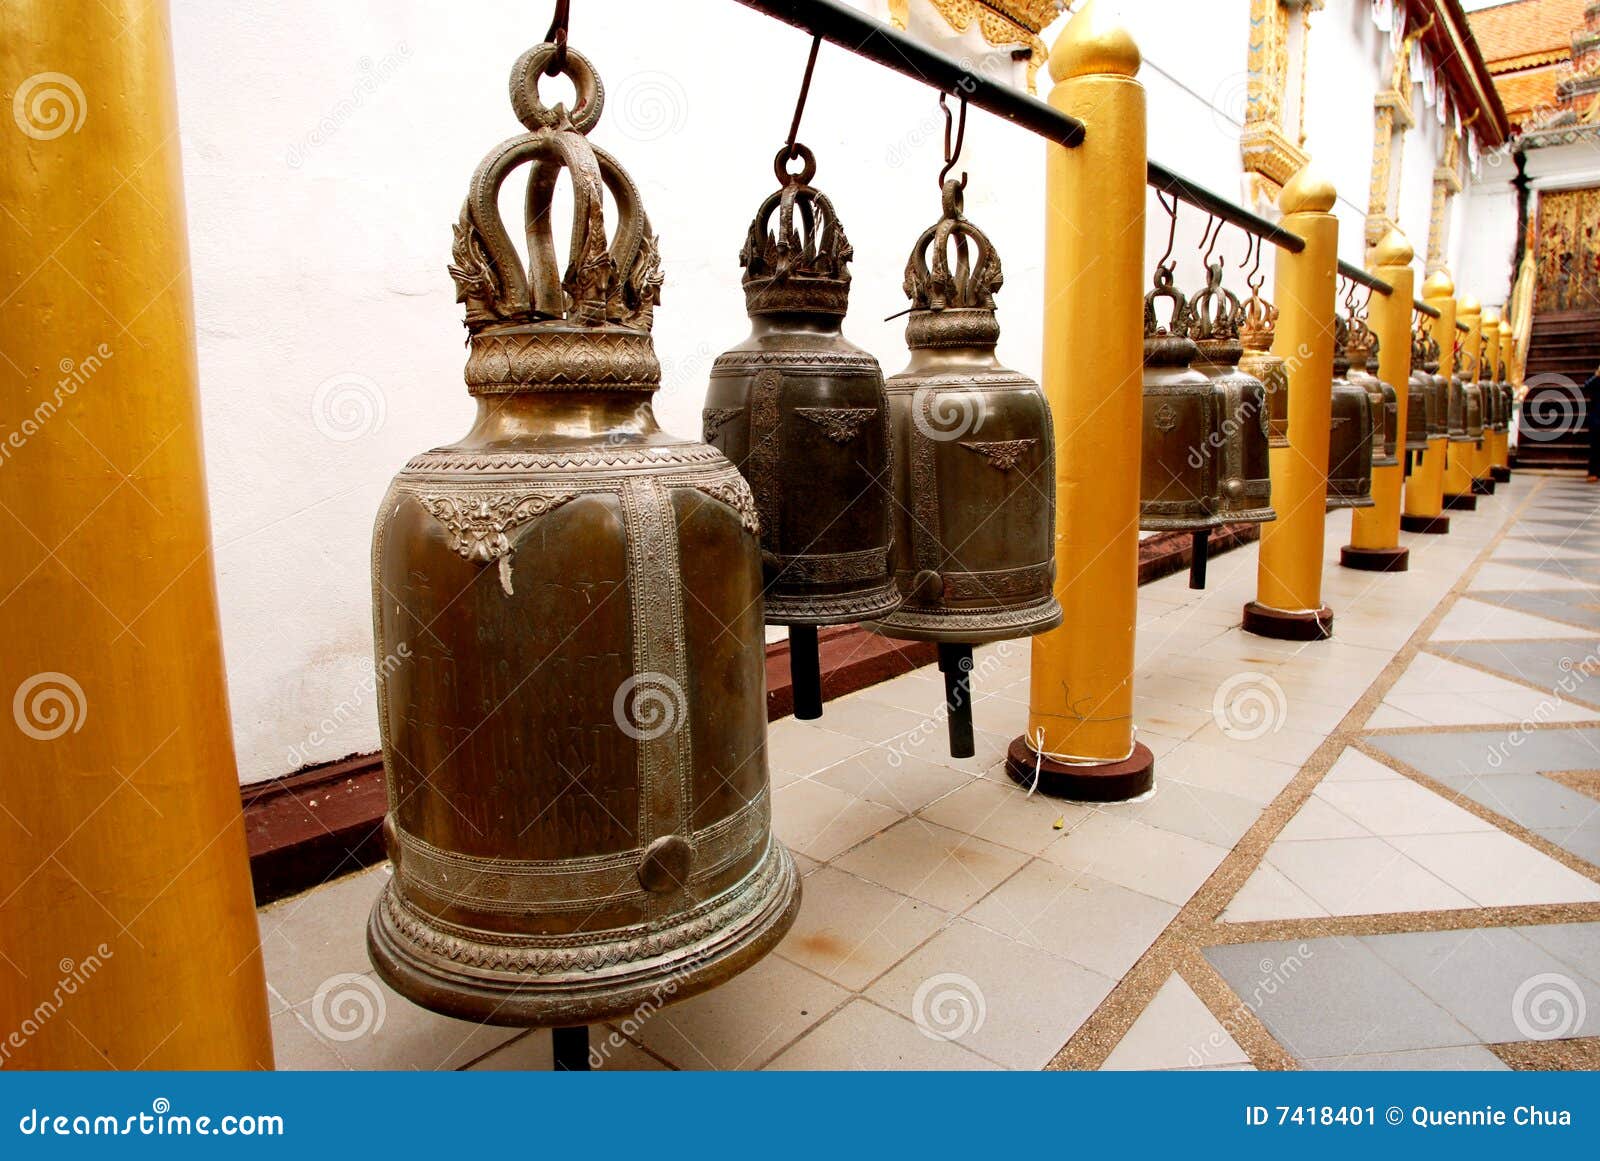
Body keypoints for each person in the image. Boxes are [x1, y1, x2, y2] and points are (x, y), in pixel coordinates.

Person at [1588, 363, 1600, 482]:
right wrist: (1596, 376)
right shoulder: (1596, 380)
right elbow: (1586, 387)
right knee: (1595, 447)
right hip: (1596, 418)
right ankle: (1593, 472)